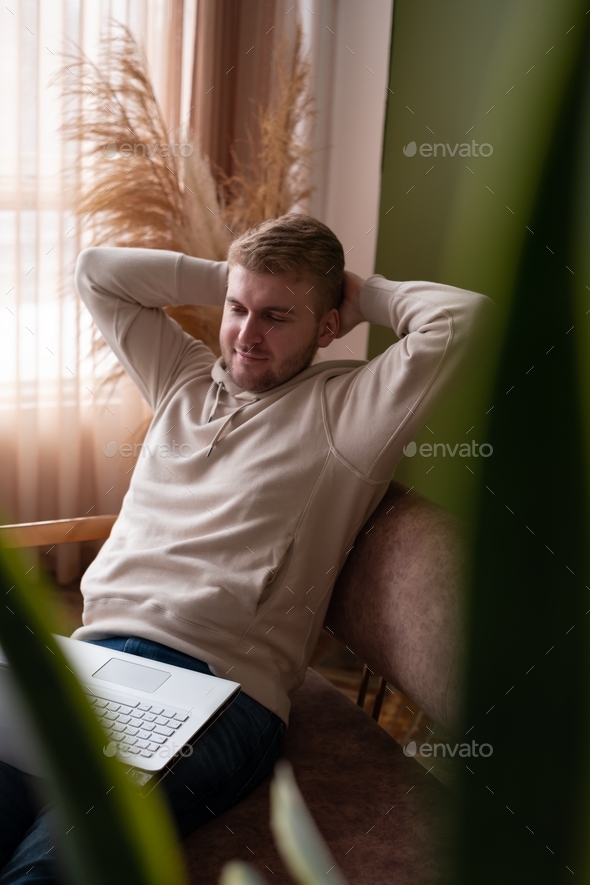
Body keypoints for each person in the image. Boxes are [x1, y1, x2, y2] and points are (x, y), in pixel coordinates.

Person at [0, 213, 495, 883]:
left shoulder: (352, 411)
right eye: (238, 310)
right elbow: (97, 272)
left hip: (219, 691)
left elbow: (466, 319)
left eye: (277, 316)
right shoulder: (181, 378)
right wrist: (235, 279)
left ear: (327, 327)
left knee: (52, 866)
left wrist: (360, 293)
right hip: (94, 662)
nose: (246, 335)